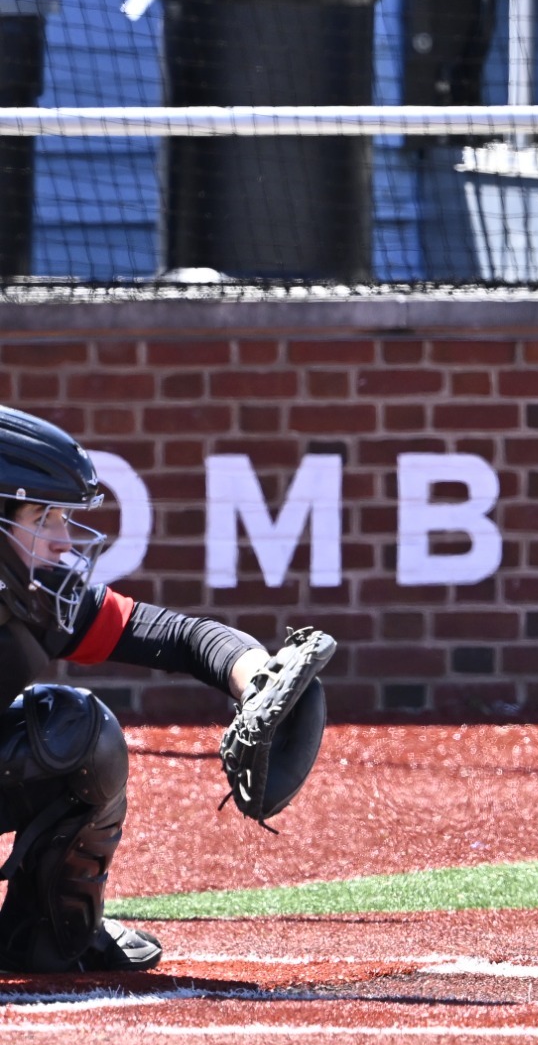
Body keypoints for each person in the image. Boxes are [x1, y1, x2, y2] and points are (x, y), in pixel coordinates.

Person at [0, 405, 334, 973]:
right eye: (43, 517)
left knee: (78, 735)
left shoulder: (28, 587)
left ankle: (46, 935)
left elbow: (177, 634)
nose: (61, 541)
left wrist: (256, 677)